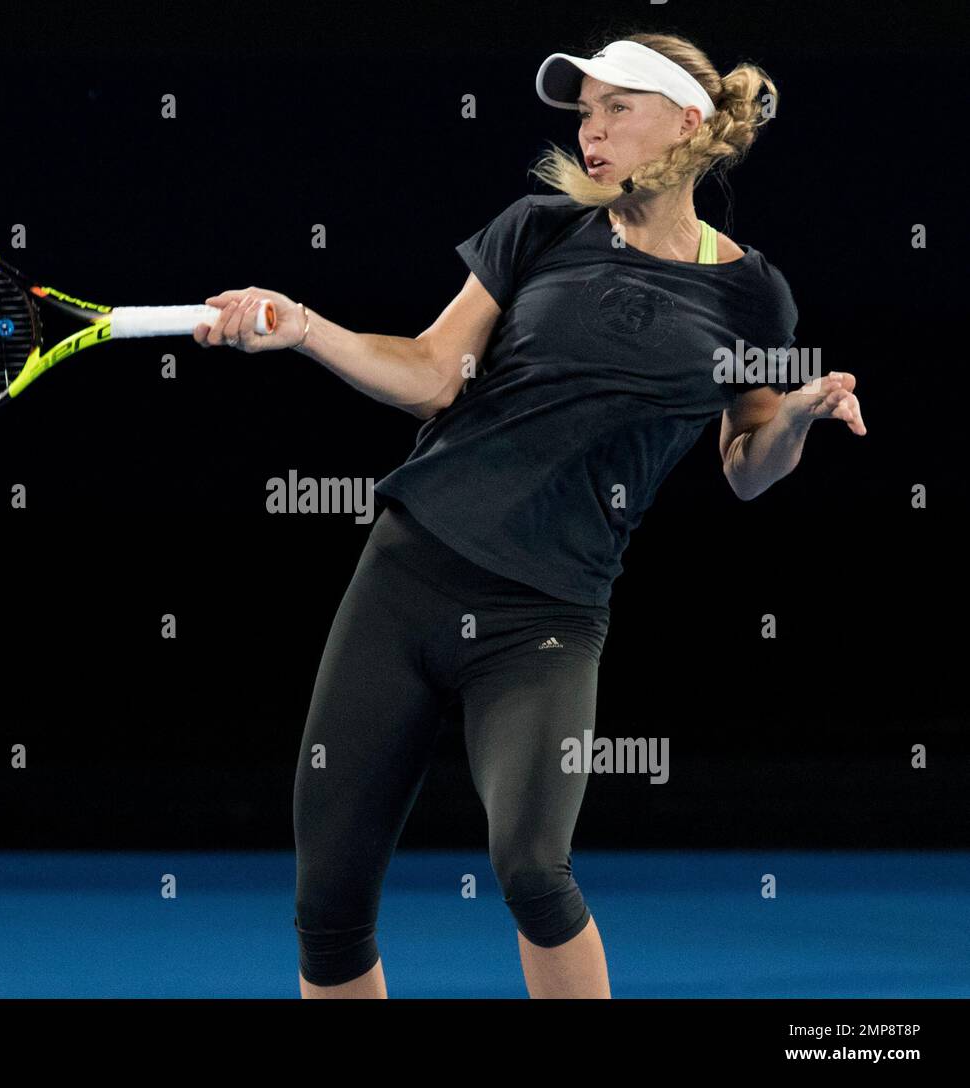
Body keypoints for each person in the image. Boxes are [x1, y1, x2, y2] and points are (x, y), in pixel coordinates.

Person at [193, 31, 865, 999]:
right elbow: (431, 374)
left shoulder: (753, 294)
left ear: (684, 119)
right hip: (408, 573)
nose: (589, 132)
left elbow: (746, 467)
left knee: (532, 868)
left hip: (546, 617)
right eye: (582, 111)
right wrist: (305, 328)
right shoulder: (539, 228)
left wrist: (796, 413)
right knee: (329, 902)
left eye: (613, 107)